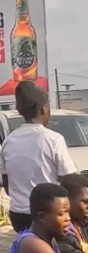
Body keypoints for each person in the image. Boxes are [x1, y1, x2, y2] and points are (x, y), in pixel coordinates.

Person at [0, 82, 78, 231]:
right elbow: (69, 181)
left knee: (29, 249)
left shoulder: (8, 142)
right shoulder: (53, 139)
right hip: (48, 217)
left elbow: (8, 187)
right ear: (43, 109)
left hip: (18, 215)